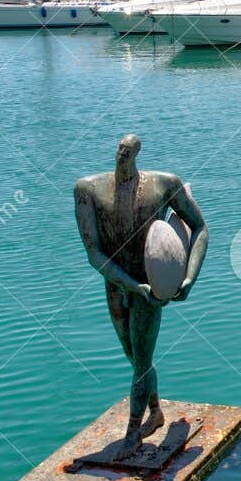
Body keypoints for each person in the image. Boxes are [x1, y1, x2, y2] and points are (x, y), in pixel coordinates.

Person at [73, 134, 207, 458]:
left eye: (128, 151)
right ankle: (156, 412)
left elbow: (200, 228)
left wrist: (189, 277)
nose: (122, 154)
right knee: (133, 356)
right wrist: (130, 285)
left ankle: (133, 433)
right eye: (119, 149)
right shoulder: (87, 189)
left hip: (151, 288)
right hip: (117, 284)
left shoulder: (165, 184)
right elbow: (93, 252)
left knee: (142, 362)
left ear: (136, 154)